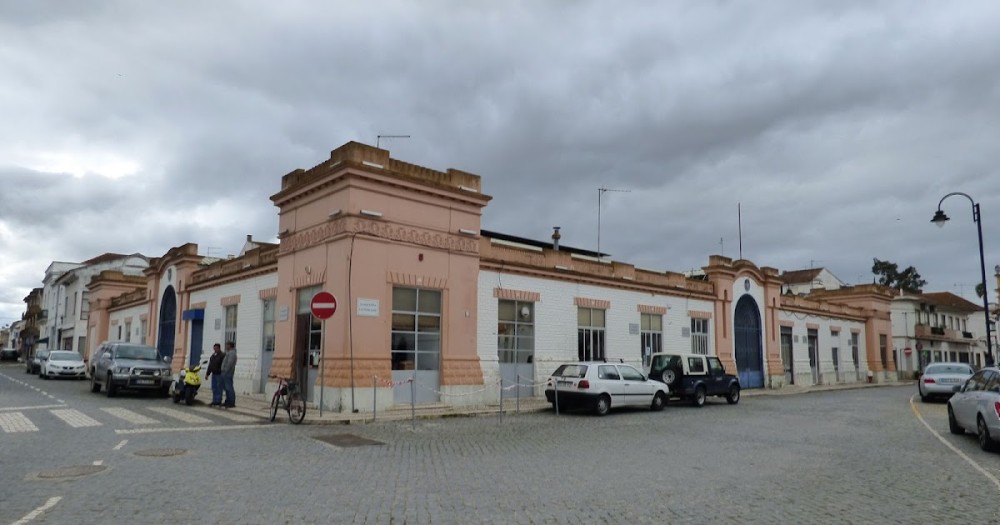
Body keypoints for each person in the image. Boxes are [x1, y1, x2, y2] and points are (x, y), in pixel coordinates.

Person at [221, 341, 238, 408]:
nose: (226, 346)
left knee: (229, 387)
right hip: (226, 372)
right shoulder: (229, 353)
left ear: (230, 346)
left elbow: (230, 363)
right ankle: (227, 401)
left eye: (227, 345)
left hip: (228, 373)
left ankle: (231, 402)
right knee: (227, 388)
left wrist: (225, 370)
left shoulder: (232, 353)